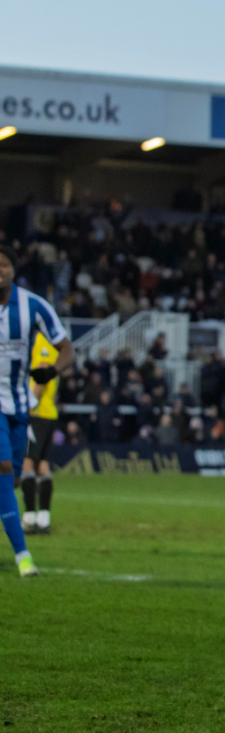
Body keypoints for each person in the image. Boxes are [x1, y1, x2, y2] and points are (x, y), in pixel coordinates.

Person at [0, 244, 73, 578]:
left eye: (4, 266)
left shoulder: (33, 307)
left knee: (13, 480)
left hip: (20, 408)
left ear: (14, 270)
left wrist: (52, 371)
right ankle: (23, 556)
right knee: (3, 472)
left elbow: (66, 347)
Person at [21, 332, 61, 535]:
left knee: (27, 462)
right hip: (47, 414)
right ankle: (43, 520)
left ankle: (29, 518)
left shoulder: (41, 341)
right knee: (42, 465)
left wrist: (30, 403)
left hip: (37, 413)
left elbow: (44, 370)